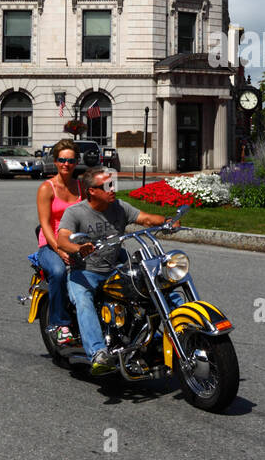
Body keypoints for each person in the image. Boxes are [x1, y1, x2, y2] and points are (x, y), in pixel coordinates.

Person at [56, 169, 177, 375]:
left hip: (114, 269)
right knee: (84, 301)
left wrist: (166, 221)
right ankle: (98, 353)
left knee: (154, 285)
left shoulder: (119, 207)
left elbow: (145, 218)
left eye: (113, 184)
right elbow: (62, 240)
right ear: (92, 191)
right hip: (84, 271)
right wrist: (78, 249)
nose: (112, 189)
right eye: (107, 186)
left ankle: (180, 331)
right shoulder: (75, 212)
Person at [31, 139, 83, 348]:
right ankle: (61, 325)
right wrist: (59, 249)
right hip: (50, 244)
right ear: (55, 161)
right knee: (59, 271)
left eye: (70, 160)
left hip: (77, 243)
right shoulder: (47, 188)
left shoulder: (81, 186)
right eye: (61, 160)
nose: (66, 164)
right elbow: (45, 224)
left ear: (76, 162)